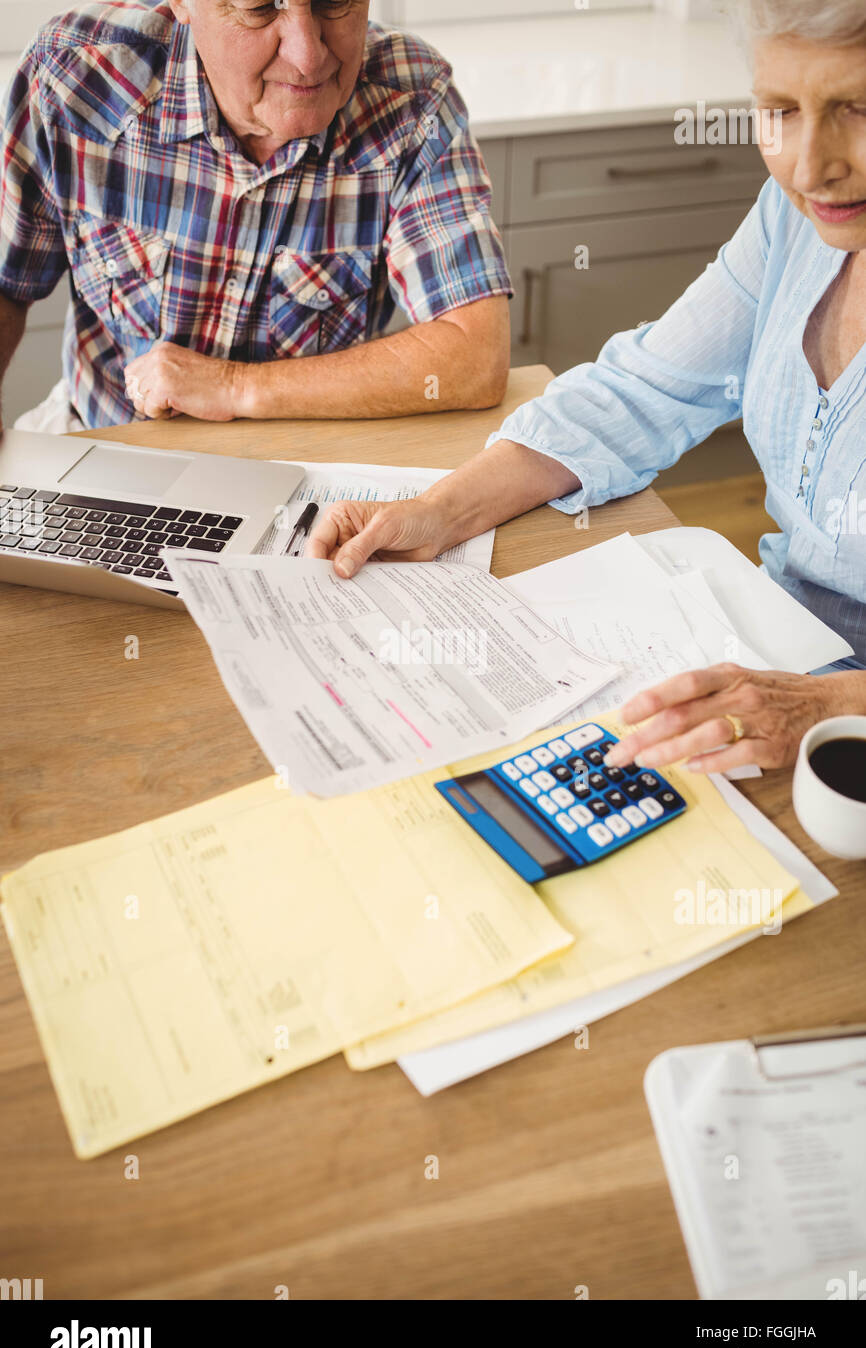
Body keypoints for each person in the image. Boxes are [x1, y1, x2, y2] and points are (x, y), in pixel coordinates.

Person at [308, 0, 866, 775]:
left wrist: (827, 708)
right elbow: (645, 389)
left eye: (858, 108)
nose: (810, 166)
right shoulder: (796, 216)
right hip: (772, 659)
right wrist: (437, 511)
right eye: (779, 111)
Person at [0, 0, 511, 433]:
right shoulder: (72, 75)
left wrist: (235, 388)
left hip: (309, 465)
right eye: (261, 7)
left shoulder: (413, 103)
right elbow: (7, 284)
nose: (308, 57)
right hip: (104, 440)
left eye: (335, 0)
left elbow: (475, 357)